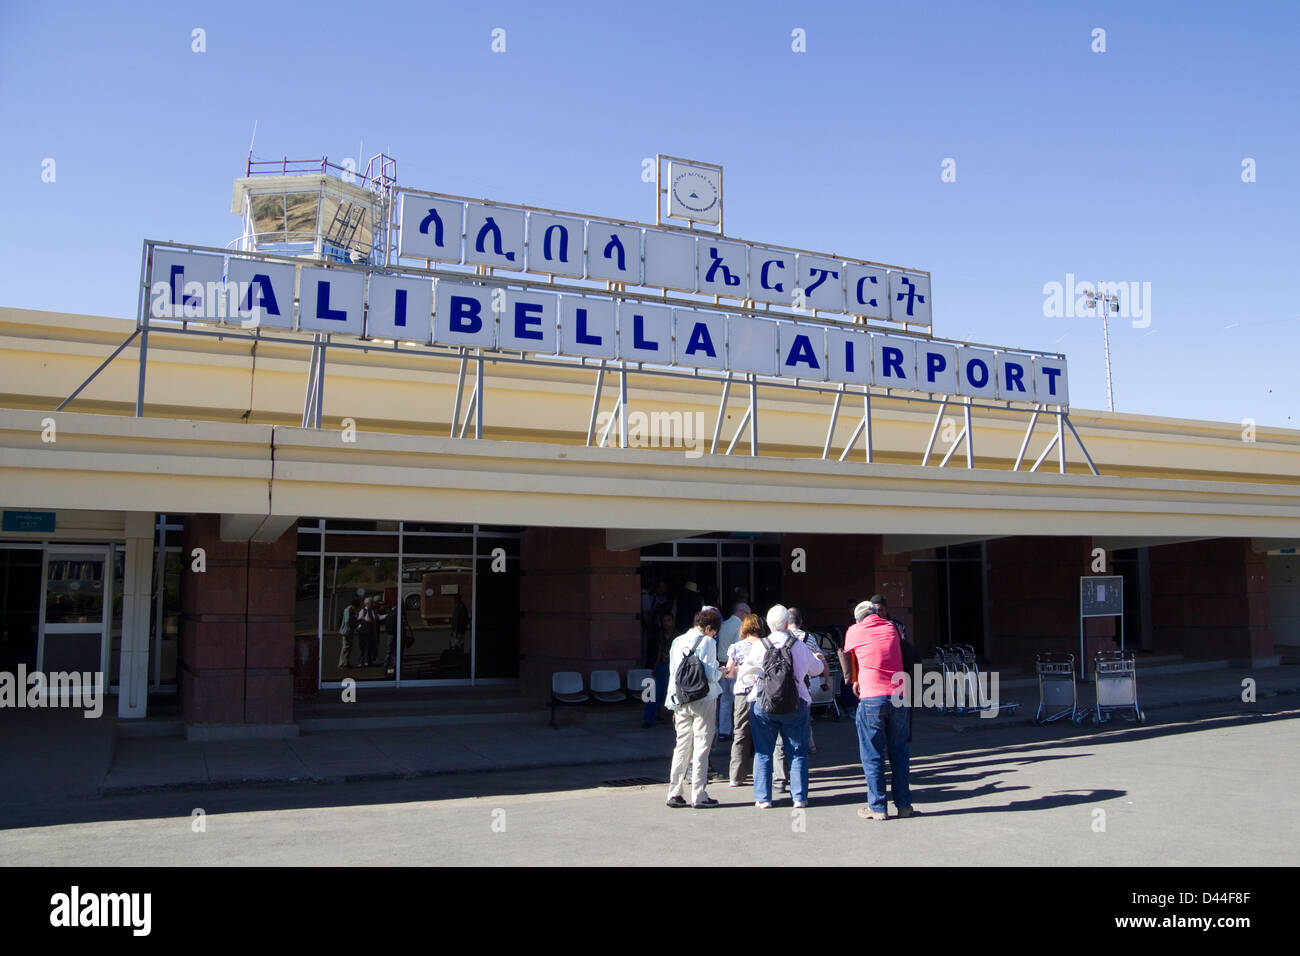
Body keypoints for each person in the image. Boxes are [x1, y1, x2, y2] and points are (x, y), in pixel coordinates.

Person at [742, 604, 823, 809]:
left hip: (763, 704)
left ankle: (763, 798)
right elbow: (816, 670)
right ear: (787, 624)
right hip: (794, 703)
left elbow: (745, 675)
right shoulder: (798, 645)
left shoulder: (760, 645)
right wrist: (814, 660)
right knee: (797, 752)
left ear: (768, 625)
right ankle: (799, 797)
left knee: (763, 752)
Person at [844, 599, 917, 820]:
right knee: (900, 753)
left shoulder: (854, 630)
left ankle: (877, 807)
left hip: (872, 698)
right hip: (898, 696)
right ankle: (904, 806)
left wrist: (855, 680)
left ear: (858, 618)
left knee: (873, 754)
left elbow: (849, 655)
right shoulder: (891, 628)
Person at [665, 608, 724, 809]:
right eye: (714, 632)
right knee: (701, 747)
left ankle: (674, 792)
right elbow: (709, 674)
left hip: (680, 699)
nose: (714, 636)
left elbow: (674, 673)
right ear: (708, 628)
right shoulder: (707, 642)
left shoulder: (677, 641)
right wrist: (722, 672)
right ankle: (698, 794)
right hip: (703, 699)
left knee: (681, 745)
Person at [773, 606, 828, 790]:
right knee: (798, 736)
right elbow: (818, 666)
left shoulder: (769, 641)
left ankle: (779, 779)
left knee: (779, 739)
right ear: (801, 621)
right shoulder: (807, 639)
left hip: (775, 693)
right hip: (800, 690)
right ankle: (798, 787)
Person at [726, 612, 764, 787]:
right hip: (762, 692)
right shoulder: (767, 645)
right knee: (762, 734)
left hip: (742, 692)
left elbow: (730, 673)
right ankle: (761, 774)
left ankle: (736, 776)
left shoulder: (736, 647)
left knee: (740, 733)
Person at [715, 602, 749, 741]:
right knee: (738, 700)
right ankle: (738, 729)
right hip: (734, 667)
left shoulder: (722, 625)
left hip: (722, 666)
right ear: (742, 612)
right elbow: (738, 649)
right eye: (747, 614)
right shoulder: (739, 626)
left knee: (725, 700)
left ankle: (724, 731)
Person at [642, 610, 675, 727]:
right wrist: (655, 666)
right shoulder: (659, 635)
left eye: (668, 621)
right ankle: (648, 718)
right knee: (655, 692)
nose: (666, 623)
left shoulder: (677, 635)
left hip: (673, 665)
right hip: (662, 664)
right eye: (664, 621)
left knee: (673, 693)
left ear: (672, 622)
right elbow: (658, 651)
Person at [337, 595, 362, 669]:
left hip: (347, 631)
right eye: (357, 607)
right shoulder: (349, 611)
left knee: (348, 647)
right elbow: (349, 621)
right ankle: (342, 664)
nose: (357, 608)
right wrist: (357, 625)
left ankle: (346, 662)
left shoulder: (347, 610)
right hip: (347, 631)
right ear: (354, 605)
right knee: (346, 647)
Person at [355, 596, 380, 667]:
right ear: (367, 604)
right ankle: (360, 662)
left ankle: (368, 661)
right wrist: (364, 621)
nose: (373, 604)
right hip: (363, 632)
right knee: (362, 647)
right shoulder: (363, 611)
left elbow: (377, 617)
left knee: (370, 647)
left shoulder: (373, 610)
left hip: (371, 632)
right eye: (372, 603)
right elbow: (359, 620)